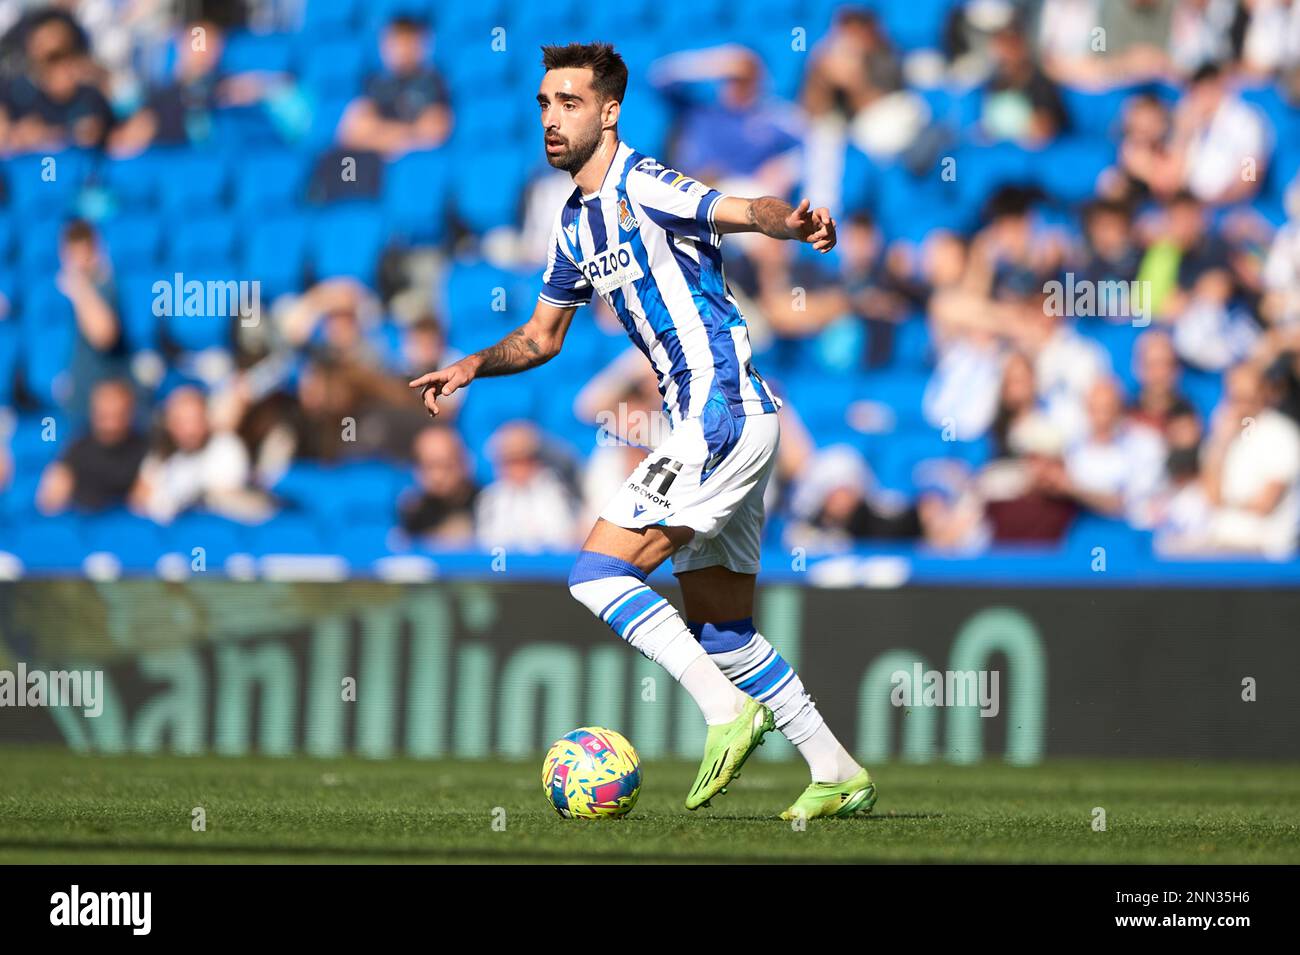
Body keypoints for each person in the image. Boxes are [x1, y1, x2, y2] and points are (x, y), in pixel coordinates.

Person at [409, 43, 873, 821]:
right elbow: (541, 338)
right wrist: (470, 367)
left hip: (716, 414)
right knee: (723, 630)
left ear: (610, 112)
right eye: (544, 105)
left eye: (570, 104)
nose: (552, 120)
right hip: (731, 421)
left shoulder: (645, 182)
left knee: (595, 574)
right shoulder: (572, 224)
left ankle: (725, 712)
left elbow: (737, 208)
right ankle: (836, 769)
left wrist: (790, 223)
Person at [36, 378, 147, 514]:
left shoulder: (146, 450)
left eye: (117, 415)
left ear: (130, 413)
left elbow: (146, 501)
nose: (111, 425)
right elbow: (50, 499)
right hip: (82, 523)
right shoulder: (77, 447)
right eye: (104, 416)